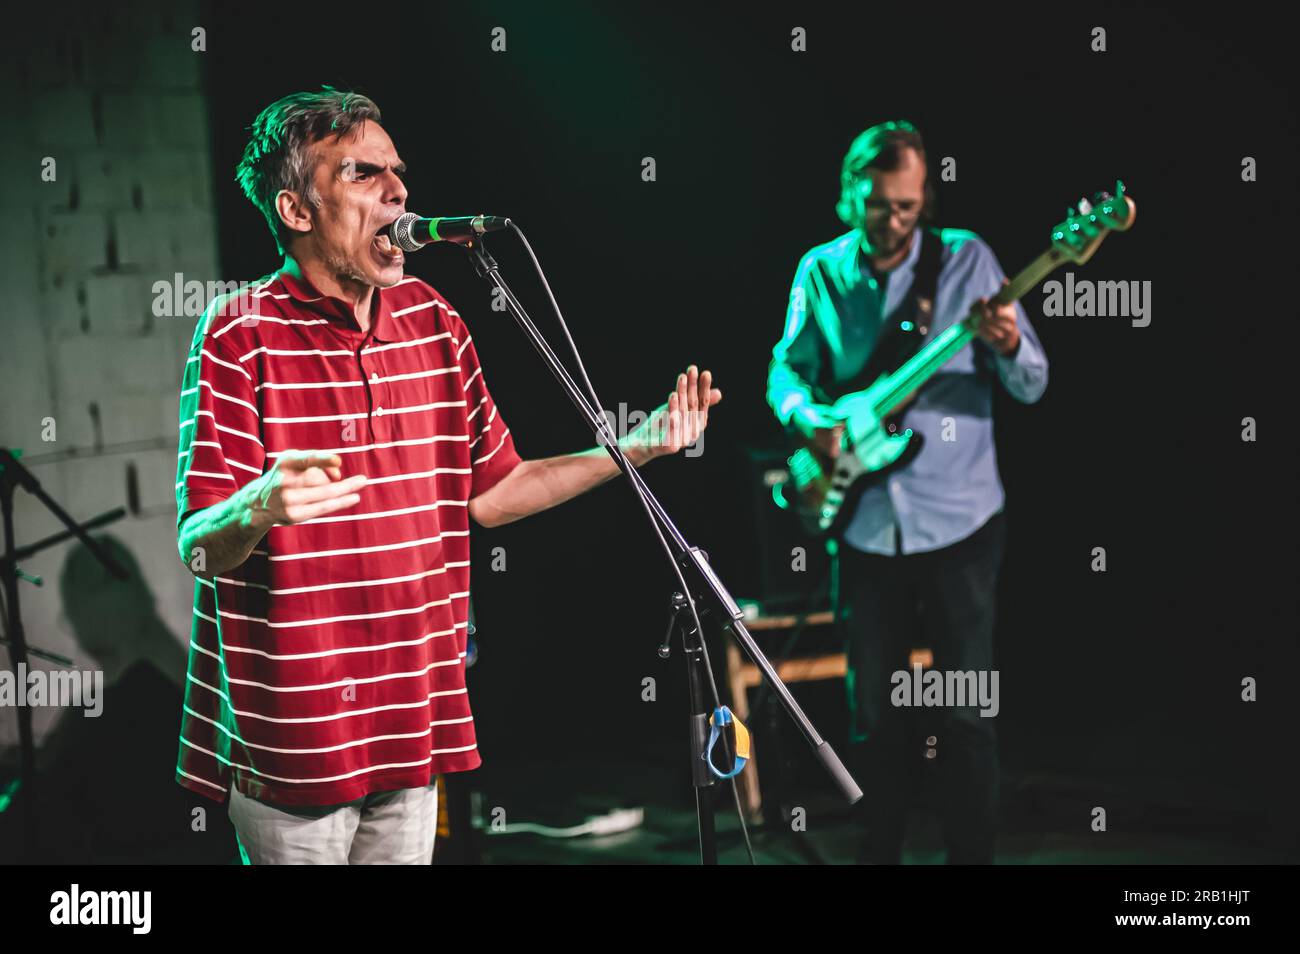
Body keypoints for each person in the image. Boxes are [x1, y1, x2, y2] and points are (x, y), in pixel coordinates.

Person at [174, 87, 721, 864]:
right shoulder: (237, 334)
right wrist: (259, 505)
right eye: (363, 175)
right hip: (300, 731)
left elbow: (495, 495)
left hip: (413, 709)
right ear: (297, 211)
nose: (398, 192)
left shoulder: (436, 321)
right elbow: (198, 545)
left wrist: (638, 447)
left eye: (398, 172)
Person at [766, 121, 1047, 864]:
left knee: (966, 717)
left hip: (960, 522)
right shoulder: (819, 271)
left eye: (908, 207)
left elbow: (1034, 382)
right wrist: (812, 421)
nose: (894, 221)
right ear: (848, 196)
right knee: (873, 716)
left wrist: (1009, 342)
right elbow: (784, 374)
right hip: (864, 523)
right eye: (880, 204)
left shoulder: (969, 260)